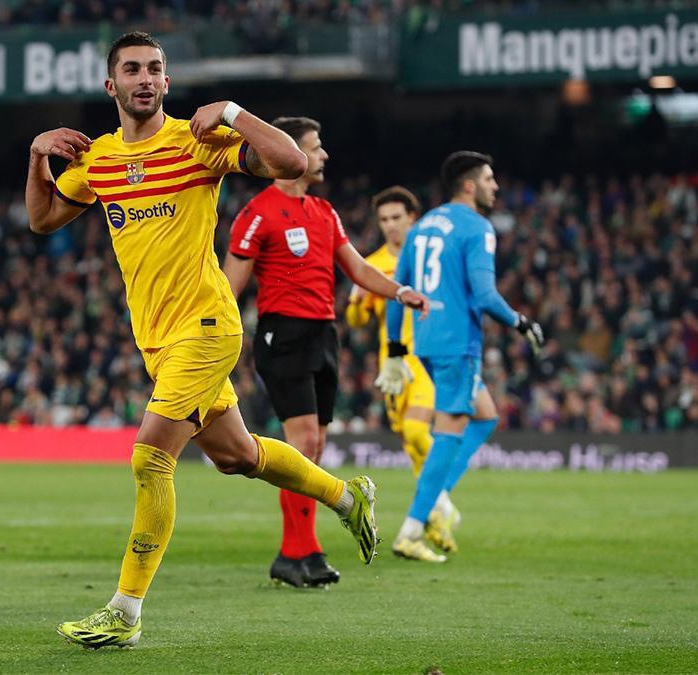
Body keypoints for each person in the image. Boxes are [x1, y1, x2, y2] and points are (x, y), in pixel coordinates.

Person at [26, 31, 383, 650]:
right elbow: (42, 219)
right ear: (111, 85)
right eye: (132, 69)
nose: (144, 78)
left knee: (150, 457)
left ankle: (125, 611)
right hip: (157, 339)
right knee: (238, 456)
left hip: (208, 326)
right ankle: (346, 496)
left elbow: (292, 164)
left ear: (167, 83)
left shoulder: (196, 143)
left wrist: (235, 112)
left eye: (154, 69)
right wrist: (37, 156)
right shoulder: (100, 160)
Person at [223, 122, 430, 587]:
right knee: (301, 446)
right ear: (291, 153)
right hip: (283, 334)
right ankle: (297, 553)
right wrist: (213, 334)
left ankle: (303, 551)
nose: (324, 156)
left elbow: (357, 267)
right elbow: (229, 286)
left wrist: (400, 292)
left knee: (314, 448)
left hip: (323, 334)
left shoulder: (323, 210)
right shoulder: (257, 212)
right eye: (316, 148)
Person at [378, 152, 544, 561]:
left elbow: (398, 291)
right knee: (450, 430)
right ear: (469, 185)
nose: (495, 186)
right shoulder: (477, 227)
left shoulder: (422, 226)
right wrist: (521, 322)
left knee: (485, 415)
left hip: (426, 341)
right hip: (457, 342)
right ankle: (413, 529)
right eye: (489, 179)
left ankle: (438, 496)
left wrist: (396, 349)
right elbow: (485, 295)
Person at [345, 186, 444, 562]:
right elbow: (356, 321)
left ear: (412, 218)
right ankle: (429, 521)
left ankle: (443, 501)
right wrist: (358, 301)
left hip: (427, 360)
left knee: (418, 433)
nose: (390, 225)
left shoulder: (430, 260)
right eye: (384, 219)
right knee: (412, 446)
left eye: (396, 218)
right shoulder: (371, 265)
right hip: (393, 368)